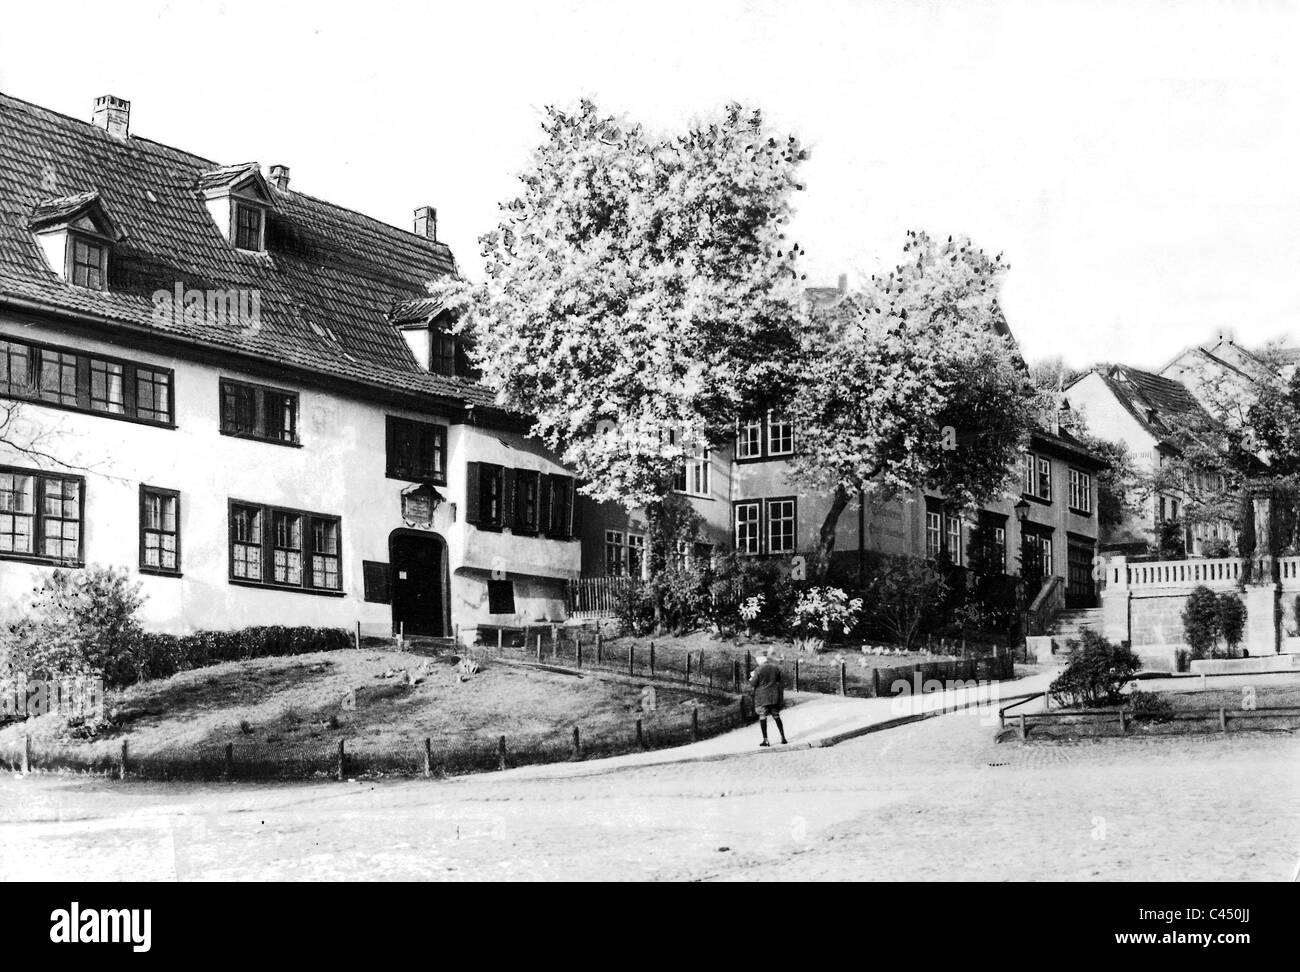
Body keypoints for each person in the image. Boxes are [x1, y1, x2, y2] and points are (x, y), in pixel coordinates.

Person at [748, 652, 787, 747]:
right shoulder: (775, 667)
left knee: (762, 716)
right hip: (773, 695)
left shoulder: (758, 670)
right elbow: (779, 680)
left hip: (762, 697)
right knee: (776, 716)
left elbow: (753, 683)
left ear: (759, 661)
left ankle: (766, 740)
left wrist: (751, 677)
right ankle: (783, 737)